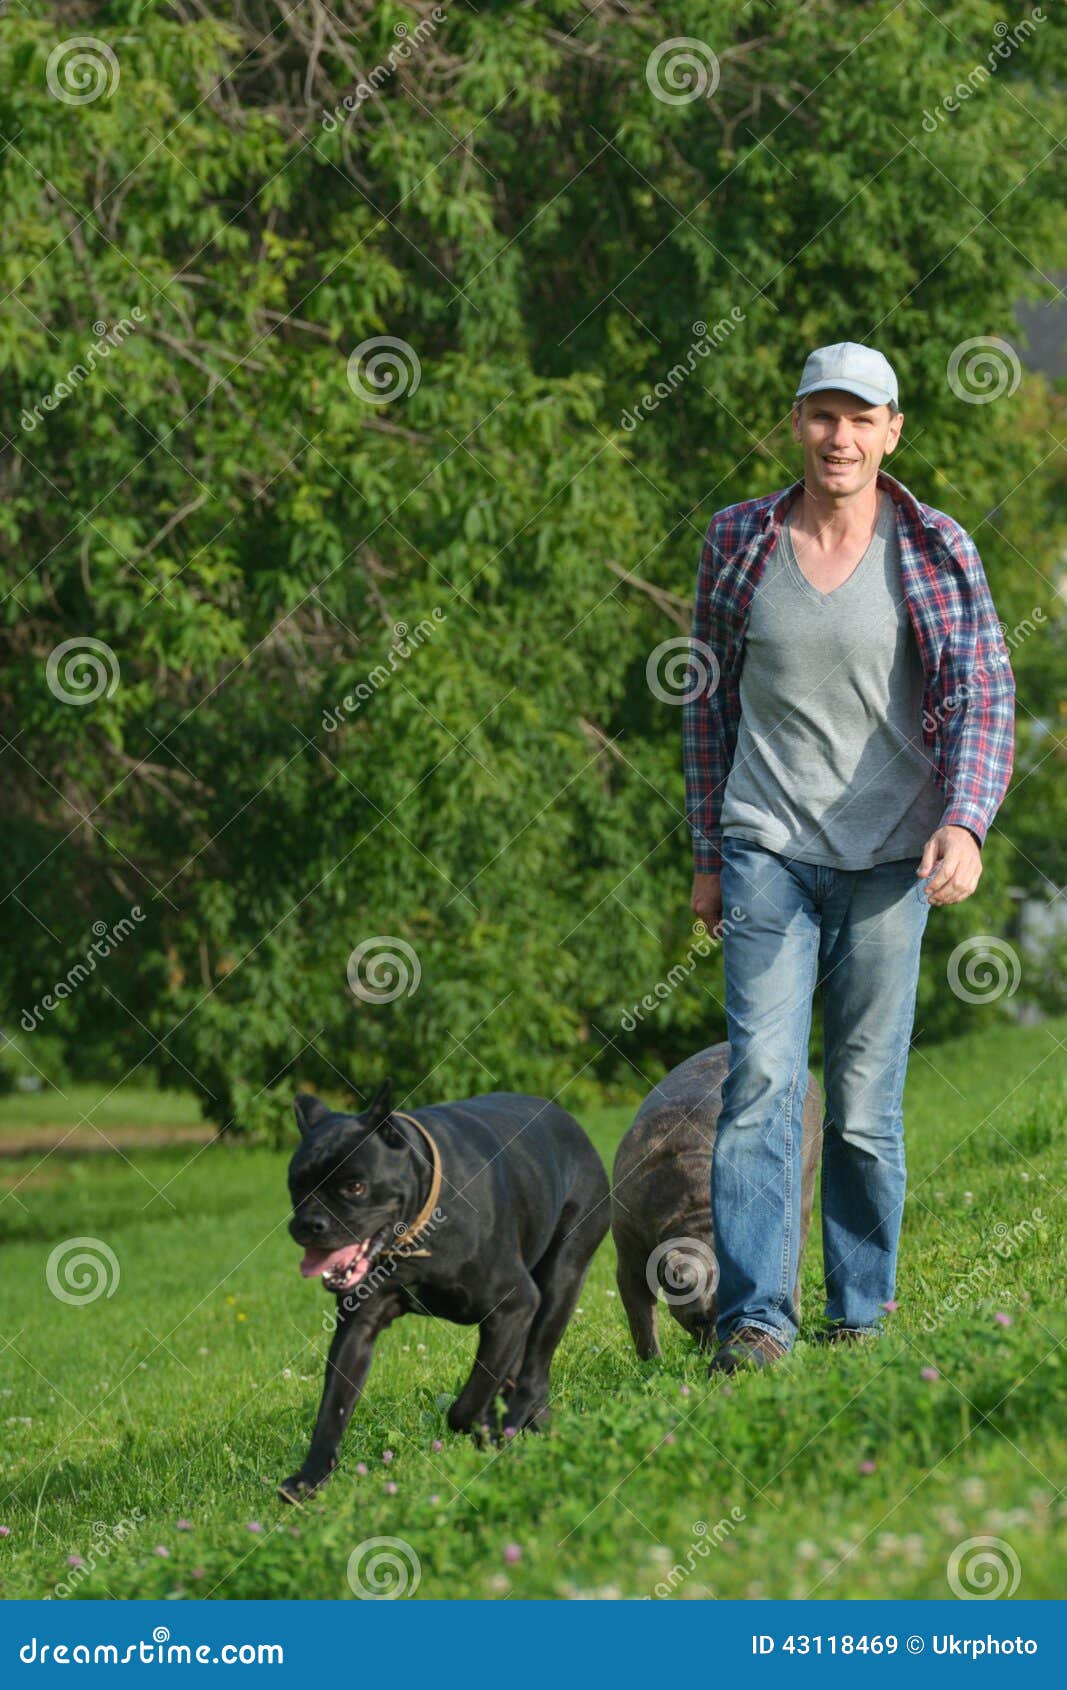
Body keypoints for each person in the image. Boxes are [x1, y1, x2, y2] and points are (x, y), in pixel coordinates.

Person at [682, 341, 1015, 1372]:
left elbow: (984, 692)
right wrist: (706, 849)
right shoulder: (738, 541)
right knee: (762, 1083)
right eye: (822, 416)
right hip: (764, 847)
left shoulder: (932, 545)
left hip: (885, 857)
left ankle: (858, 1312)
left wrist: (962, 820)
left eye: (860, 418)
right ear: (796, 425)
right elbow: (703, 704)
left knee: (865, 1102)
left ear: (891, 431)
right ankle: (753, 1319)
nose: (840, 437)